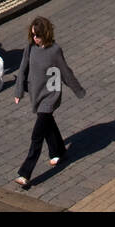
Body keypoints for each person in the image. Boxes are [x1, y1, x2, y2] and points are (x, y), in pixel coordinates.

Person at [14, 16, 85, 189]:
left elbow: (66, 72)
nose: (35, 38)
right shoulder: (30, 48)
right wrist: (18, 92)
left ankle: (25, 173)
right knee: (48, 124)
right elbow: (22, 69)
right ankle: (59, 150)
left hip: (50, 96)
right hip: (36, 94)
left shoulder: (54, 50)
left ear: (45, 34)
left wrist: (78, 89)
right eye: (33, 35)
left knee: (37, 135)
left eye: (38, 35)